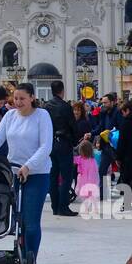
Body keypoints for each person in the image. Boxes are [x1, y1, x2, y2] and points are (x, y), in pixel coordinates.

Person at [0, 82, 53, 264]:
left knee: (31, 220)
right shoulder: (9, 116)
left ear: (32, 98)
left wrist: (29, 166)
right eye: (15, 98)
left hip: (36, 173)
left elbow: (45, 147)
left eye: (22, 99)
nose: (17, 102)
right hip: (13, 172)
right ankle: (20, 258)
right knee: (18, 221)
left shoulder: (42, 116)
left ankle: (31, 261)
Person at [46, 80, 79, 217]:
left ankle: (55, 206)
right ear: (62, 91)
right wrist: (74, 140)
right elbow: (72, 125)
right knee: (67, 176)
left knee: (53, 176)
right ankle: (63, 206)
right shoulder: (65, 106)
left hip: (51, 143)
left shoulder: (46, 106)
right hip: (64, 143)